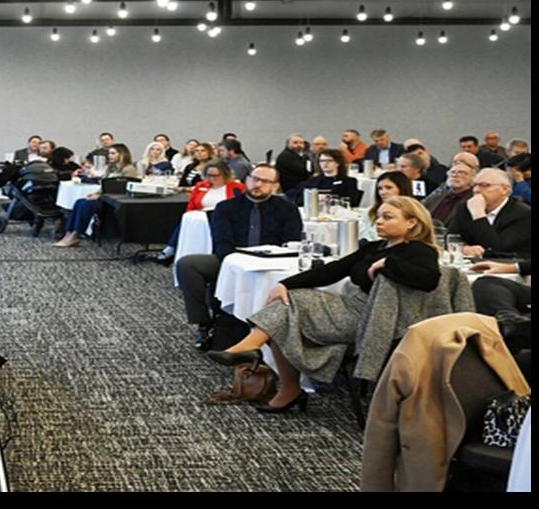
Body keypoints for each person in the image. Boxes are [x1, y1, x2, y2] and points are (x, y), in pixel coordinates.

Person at [206, 196, 442, 412]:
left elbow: (429, 279)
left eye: (387, 217)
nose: (379, 222)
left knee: (290, 306)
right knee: (286, 305)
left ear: (411, 223)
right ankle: (271, 368)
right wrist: (286, 284)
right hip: (354, 308)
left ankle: (268, 365)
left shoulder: (419, 251)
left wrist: (388, 264)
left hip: (375, 320)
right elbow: (334, 271)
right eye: (378, 216)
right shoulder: (375, 247)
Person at [175, 164, 303, 350]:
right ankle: (204, 323)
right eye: (254, 179)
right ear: (246, 181)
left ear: (275, 186)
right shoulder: (226, 207)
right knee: (188, 265)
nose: (257, 184)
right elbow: (222, 243)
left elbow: (291, 242)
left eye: (265, 181)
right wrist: (240, 263)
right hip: (231, 260)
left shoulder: (287, 209)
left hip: (271, 262)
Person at [144, 160, 246, 266]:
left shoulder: (237, 188)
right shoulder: (200, 186)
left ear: (225, 174)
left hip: (225, 218)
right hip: (201, 217)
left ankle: (170, 249)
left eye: (216, 175)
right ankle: (172, 249)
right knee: (186, 219)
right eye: (210, 175)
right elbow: (191, 206)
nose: (213, 178)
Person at [54, 143, 137, 247]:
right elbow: (105, 186)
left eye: (113, 153)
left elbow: (123, 188)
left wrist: (100, 196)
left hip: (113, 200)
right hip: (104, 196)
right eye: (109, 153)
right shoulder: (111, 168)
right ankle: (68, 233)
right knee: (79, 202)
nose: (109, 156)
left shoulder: (129, 169)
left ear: (122, 154)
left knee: (85, 205)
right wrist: (96, 193)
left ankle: (76, 234)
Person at [448, 167, 532, 258]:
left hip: (506, 267)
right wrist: (463, 248)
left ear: (504, 189)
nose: (476, 190)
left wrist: (479, 215)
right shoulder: (465, 207)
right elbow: (450, 237)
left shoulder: (523, 214)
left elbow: (498, 250)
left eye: (484, 185)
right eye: (475, 185)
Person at [286, 149, 358, 206]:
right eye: (322, 161)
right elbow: (295, 196)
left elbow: (352, 202)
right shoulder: (312, 181)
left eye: (329, 160)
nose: (325, 163)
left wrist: (331, 199)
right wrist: (314, 198)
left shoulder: (349, 182)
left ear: (338, 163)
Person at [359, 170, 412, 241]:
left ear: (402, 188)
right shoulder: (370, 211)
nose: (382, 192)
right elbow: (361, 235)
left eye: (389, 188)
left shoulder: (411, 212)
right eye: (380, 188)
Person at [421, 160, 475, 225]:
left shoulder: (473, 200)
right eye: (452, 172)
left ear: (473, 178)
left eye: (461, 173)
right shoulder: (437, 196)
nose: (455, 175)